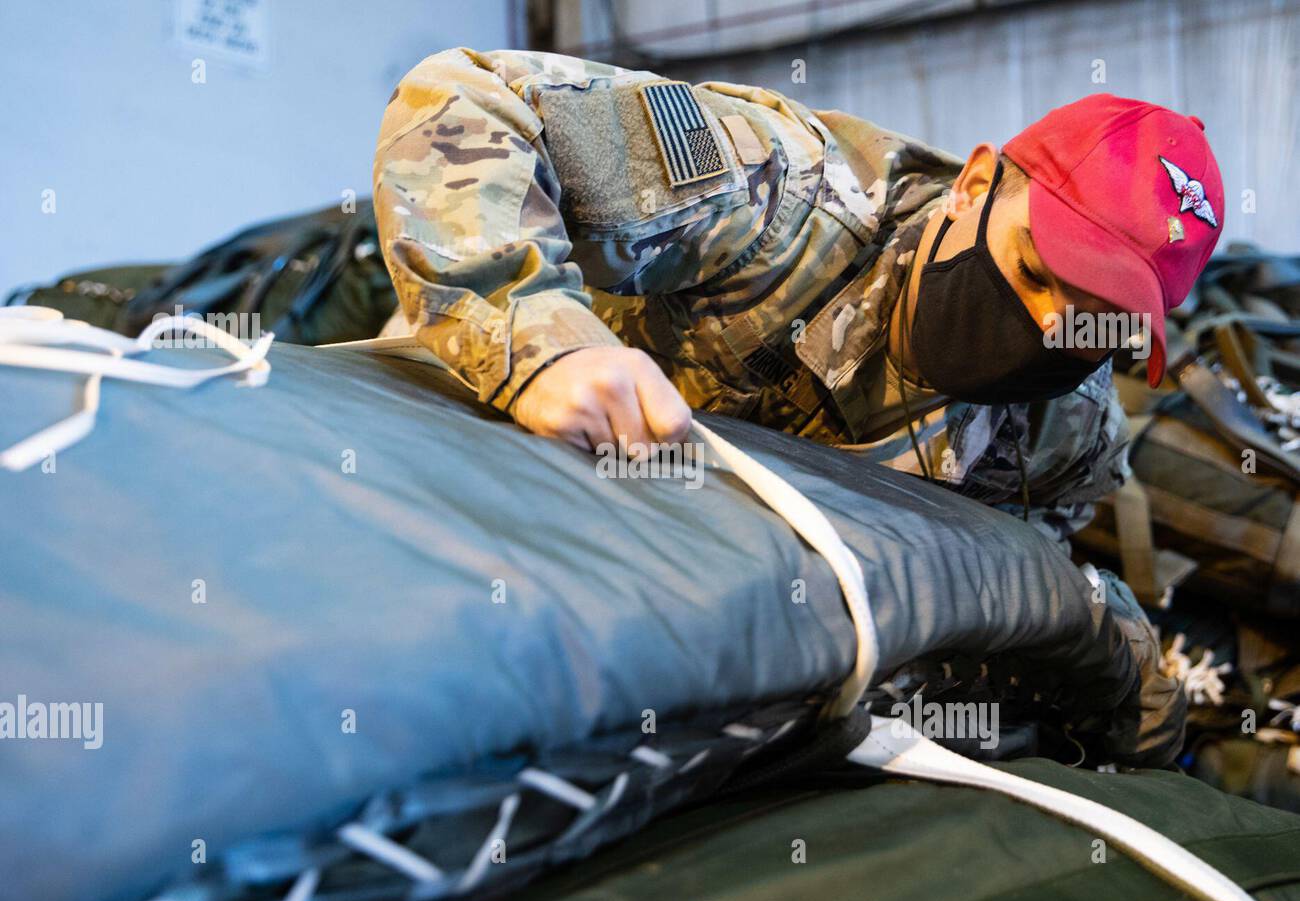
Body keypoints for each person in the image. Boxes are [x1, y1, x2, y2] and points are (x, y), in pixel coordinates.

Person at [371, 47, 1222, 551]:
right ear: (970, 185)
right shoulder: (776, 196)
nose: (1045, 324)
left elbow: (1022, 565)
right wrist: (543, 343)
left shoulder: (1063, 431)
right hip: (497, 434)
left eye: (1087, 320)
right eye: (1036, 270)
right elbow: (466, 94)